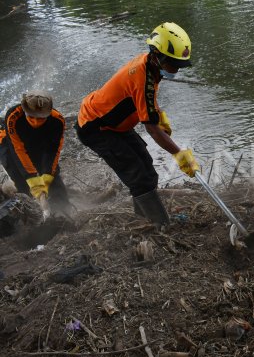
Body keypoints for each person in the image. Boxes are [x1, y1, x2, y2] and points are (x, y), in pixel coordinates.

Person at [75, 22, 200, 225]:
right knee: (138, 177)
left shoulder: (151, 67)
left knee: (147, 169)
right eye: (174, 64)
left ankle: (142, 220)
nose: (176, 69)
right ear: (158, 55)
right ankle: (160, 225)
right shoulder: (141, 75)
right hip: (96, 127)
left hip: (117, 126)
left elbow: (146, 102)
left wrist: (159, 117)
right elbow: (150, 128)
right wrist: (180, 154)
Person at [0, 91, 71, 214]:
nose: (36, 122)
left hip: (37, 140)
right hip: (9, 143)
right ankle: (32, 211)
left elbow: (53, 150)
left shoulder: (57, 120)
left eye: (41, 118)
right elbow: (18, 150)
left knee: (51, 174)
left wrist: (47, 175)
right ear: (24, 110)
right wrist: (32, 179)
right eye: (31, 117)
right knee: (20, 176)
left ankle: (63, 209)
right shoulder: (13, 116)